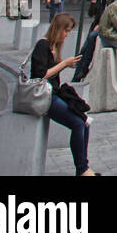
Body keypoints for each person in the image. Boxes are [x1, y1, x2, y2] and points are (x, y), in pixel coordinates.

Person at [31, 14, 96, 176]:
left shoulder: (54, 47)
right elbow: (40, 74)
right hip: (44, 96)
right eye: (66, 31)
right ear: (58, 29)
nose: (67, 35)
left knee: (84, 121)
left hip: (53, 93)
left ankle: (84, 167)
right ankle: (82, 170)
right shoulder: (43, 45)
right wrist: (64, 64)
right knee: (77, 123)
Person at [71, 0, 111, 82]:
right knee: (83, 50)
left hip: (105, 27)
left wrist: (101, 25)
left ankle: (83, 69)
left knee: (90, 41)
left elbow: (111, 16)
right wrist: (93, 1)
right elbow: (91, 14)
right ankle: (77, 75)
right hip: (95, 26)